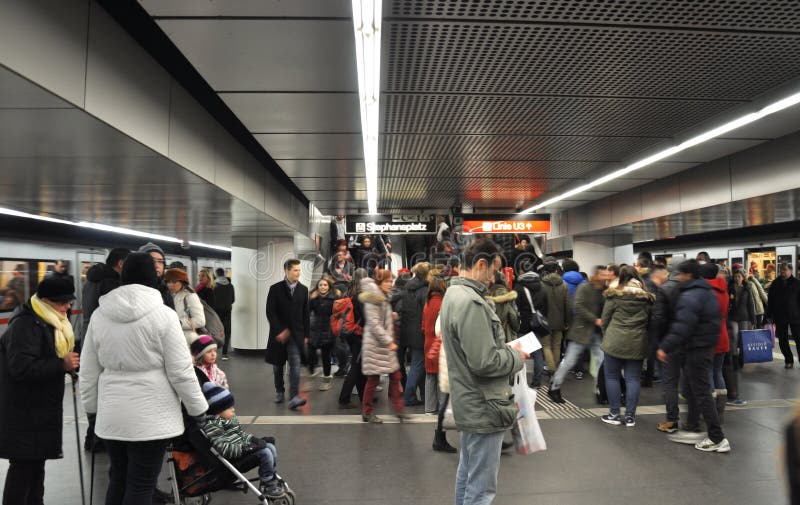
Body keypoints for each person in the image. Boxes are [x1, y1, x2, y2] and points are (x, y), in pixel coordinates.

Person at [80, 252, 208, 504]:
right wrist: (198, 409)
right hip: (151, 416)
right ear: (153, 277)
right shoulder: (164, 315)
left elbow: (88, 370)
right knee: (141, 484)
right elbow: (181, 371)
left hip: (113, 413)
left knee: (119, 478)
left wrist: (92, 410)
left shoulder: (100, 314)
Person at [441, 238, 528, 505]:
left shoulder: (453, 294)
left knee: (467, 473)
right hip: (484, 404)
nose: (493, 279)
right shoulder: (472, 303)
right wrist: (516, 356)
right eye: (493, 271)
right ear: (481, 264)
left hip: (469, 399)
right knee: (482, 489)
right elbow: (484, 362)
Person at [0, 277, 80, 505]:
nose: (68, 307)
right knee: (23, 470)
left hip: (37, 410)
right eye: (63, 302)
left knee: (35, 468)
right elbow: (20, 368)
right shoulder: (26, 324)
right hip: (23, 412)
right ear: (46, 301)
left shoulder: (46, 320)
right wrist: (60, 365)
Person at [657, 259, 730, 453]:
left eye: (681, 274)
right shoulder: (706, 291)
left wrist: (665, 346)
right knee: (692, 389)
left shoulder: (691, 295)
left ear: (688, 275)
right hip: (703, 348)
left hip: (697, 349)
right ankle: (693, 426)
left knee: (702, 393)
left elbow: (683, 325)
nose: (679, 277)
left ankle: (717, 437)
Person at [200, 382, 286, 498]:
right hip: (234, 459)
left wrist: (255, 440)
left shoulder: (229, 419)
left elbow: (241, 435)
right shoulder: (212, 426)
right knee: (265, 453)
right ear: (218, 411)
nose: (233, 409)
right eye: (229, 407)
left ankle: (270, 476)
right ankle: (268, 484)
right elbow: (224, 449)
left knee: (270, 446)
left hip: (241, 452)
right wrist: (249, 448)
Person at [598, 266, 654, 427]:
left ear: (621, 278)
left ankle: (614, 414)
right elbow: (650, 322)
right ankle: (630, 417)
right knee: (633, 379)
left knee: (612, 377)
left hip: (614, 341)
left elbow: (605, 319)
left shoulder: (614, 295)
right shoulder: (647, 298)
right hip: (637, 342)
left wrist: (607, 336)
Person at [548, 266, 607, 404]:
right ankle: (554, 386)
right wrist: (595, 319)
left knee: (600, 361)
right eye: (603, 274)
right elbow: (578, 306)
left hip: (597, 332)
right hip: (581, 330)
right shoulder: (584, 287)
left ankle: (599, 390)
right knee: (570, 361)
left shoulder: (604, 291)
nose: (606, 277)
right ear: (596, 275)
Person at [360, 269, 406, 423]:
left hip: (383, 346)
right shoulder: (374, 299)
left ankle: (398, 409)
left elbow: (380, 319)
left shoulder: (382, 297)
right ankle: (367, 412)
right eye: (386, 281)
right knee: (373, 380)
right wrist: (389, 341)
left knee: (395, 376)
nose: (390, 284)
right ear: (379, 283)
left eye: (391, 281)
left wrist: (390, 315)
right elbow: (374, 324)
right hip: (376, 346)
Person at [265, 259, 309, 410]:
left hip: (296, 335)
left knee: (295, 365)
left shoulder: (303, 290)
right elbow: (270, 312)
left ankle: (294, 397)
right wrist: (279, 330)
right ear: (286, 271)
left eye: (299, 270)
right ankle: (279, 390)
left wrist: (306, 334)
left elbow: (305, 314)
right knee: (278, 366)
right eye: (295, 270)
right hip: (278, 335)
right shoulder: (275, 289)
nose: (298, 273)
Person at [399, 262, 430, 407]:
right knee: (418, 365)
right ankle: (409, 396)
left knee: (419, 365)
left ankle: (424, 395)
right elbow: (426, 314)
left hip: (408, 331)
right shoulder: (424, 291)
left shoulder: (407, 287)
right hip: (420, 333)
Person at [338, 268, 369, 408]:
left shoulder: (349, 291)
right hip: (359, 334)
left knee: (360, 365)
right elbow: (365, 317)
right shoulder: (360, 295)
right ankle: (344, 398)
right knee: (356, 367)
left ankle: (364, 396)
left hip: (351, 333)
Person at [514, 270, 548, 388]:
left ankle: (518, 381)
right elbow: (546, 307)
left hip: (523, 324)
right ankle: (536, 381)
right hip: (537, 324)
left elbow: (515, 308)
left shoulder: (518, 288)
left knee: (519, 353)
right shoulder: (542, 288)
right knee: (538, 353)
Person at [727, 269, 754, 406]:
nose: (737, 278)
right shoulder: (730, 288)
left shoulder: (747, 289)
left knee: (743, 341)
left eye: (739, 276)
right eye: (736, 276)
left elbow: (751, 305)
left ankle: (741, 360)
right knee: (734, 340)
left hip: (744, 317)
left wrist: (753, 320)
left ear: (743, 278)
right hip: (733, 318)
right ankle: (735, 359)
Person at [308, 275, 340, 391]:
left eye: (325, 285)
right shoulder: (314, 298)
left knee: (325, 357)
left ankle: (326, 380)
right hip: (314, 330)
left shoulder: (334, 298)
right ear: (317, 286)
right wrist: (311, 299)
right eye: (320, 285)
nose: (322, 287)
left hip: (328, 331)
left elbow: (339, 313)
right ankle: (310, 378)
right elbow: (306, 311)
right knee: (310, 355)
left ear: (329, 287)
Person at [541, 260, 572, 375]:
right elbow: (568, 305)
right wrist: (567, 321)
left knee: (546, 346)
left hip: (545, 321)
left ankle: (551, 368)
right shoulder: (564, 285)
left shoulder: (542, 284)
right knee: (557, 345)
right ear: (556, 270)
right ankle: (555, 368)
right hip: (559, 321)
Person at [766, 263, 800, 368]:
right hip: (780, 316)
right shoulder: (775, 284)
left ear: (791, 271)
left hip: (795, 316)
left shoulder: (797, 283)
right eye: (781, 270)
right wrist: (768, 316)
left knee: (798, 339)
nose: (782, 272)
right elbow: (770, 301)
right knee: (782, 340)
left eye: (784, 270)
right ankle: (788, 360)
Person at [423, 273, 448, 416]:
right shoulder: (443, 304)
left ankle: (429, 407)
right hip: (439, 343)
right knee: (441, 375)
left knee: (430, 376)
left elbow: (423, 325)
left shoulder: (427, 304)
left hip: (428, 342)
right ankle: (442, 407)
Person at [165, 268, 205, 344]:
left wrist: (179, 323)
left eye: (174, 282)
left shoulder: (190, 296)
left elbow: (200, 321)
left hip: (187, 339)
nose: (170, 285)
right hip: (173, 338)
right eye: (168, 282)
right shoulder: (171, 295)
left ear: (183, 282)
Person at [486, 268, 520, 343]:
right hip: (506, 333)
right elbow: (513, 316)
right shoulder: (508, 296)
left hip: (491, 335)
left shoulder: (487, 295)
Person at [138, 242, 175, 309]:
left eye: (160, 261)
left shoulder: (165, 290)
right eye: (151, 260)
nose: (156, 265)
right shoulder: (134, 290)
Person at [213, 268, 235, 360]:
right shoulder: (230, 285)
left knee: (214, 331)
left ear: (216, 274)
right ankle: (224, 354)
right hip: (227, 310)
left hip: (216, 311)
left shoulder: (214, 285)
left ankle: (213, 352)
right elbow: (233, 300)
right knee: (227, 332)